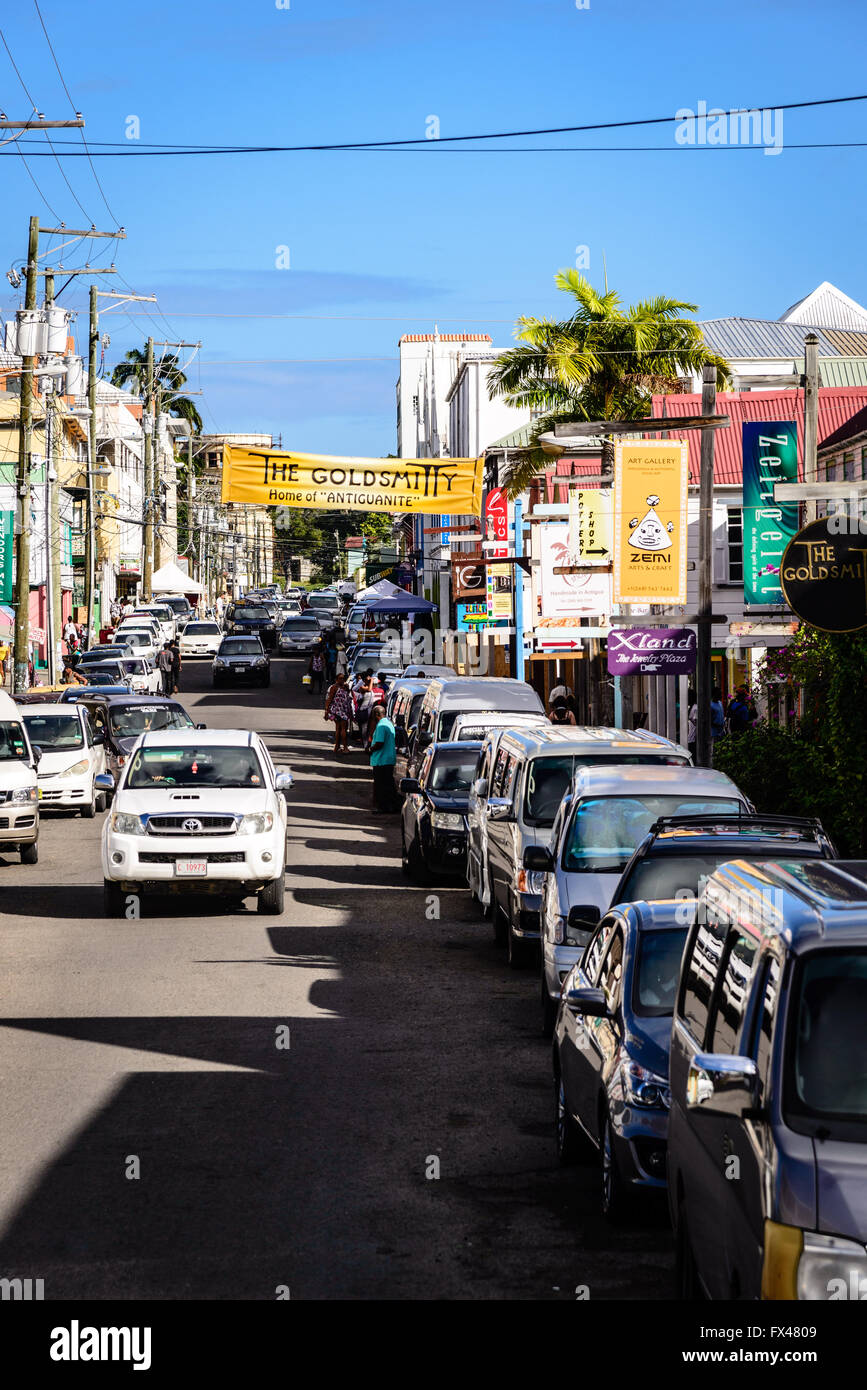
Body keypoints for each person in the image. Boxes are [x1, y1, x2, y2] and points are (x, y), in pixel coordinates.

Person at [369, 702, 397, 813]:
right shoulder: (389, 723)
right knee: (388, 784)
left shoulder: (381, 726)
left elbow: (379, 743)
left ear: (376, 715)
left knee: (380, 785)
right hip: (389, 759)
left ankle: (381, 807)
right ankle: (390, 806)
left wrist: (370, 749)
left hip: (381, 760)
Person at [324, 671, 352, 753]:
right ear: (336, 679)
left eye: (343, 678)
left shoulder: (344, 687)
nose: (342, 680)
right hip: (339, 711)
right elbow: (329, 699)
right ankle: (345, 748)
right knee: (343, 729)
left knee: (338, 729)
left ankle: (337, 747)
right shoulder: (334, 687)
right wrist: (326, 711)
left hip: (341, 710)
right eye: (340, 678)